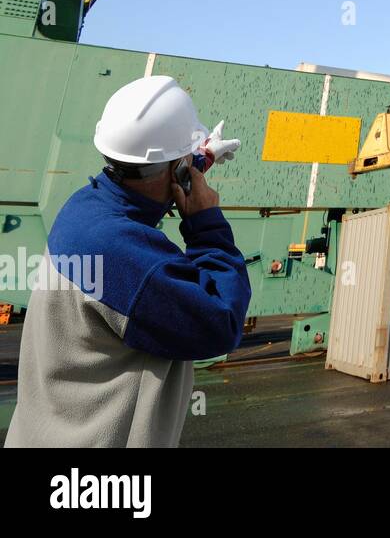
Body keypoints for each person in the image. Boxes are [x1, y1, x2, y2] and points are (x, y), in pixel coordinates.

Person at [4, 75, 251, 448]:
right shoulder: (127, 257)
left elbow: (147, 180)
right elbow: (222, 321)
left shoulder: (86, 208)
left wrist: (202, 157)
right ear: (175, 172)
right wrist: (206, 225)